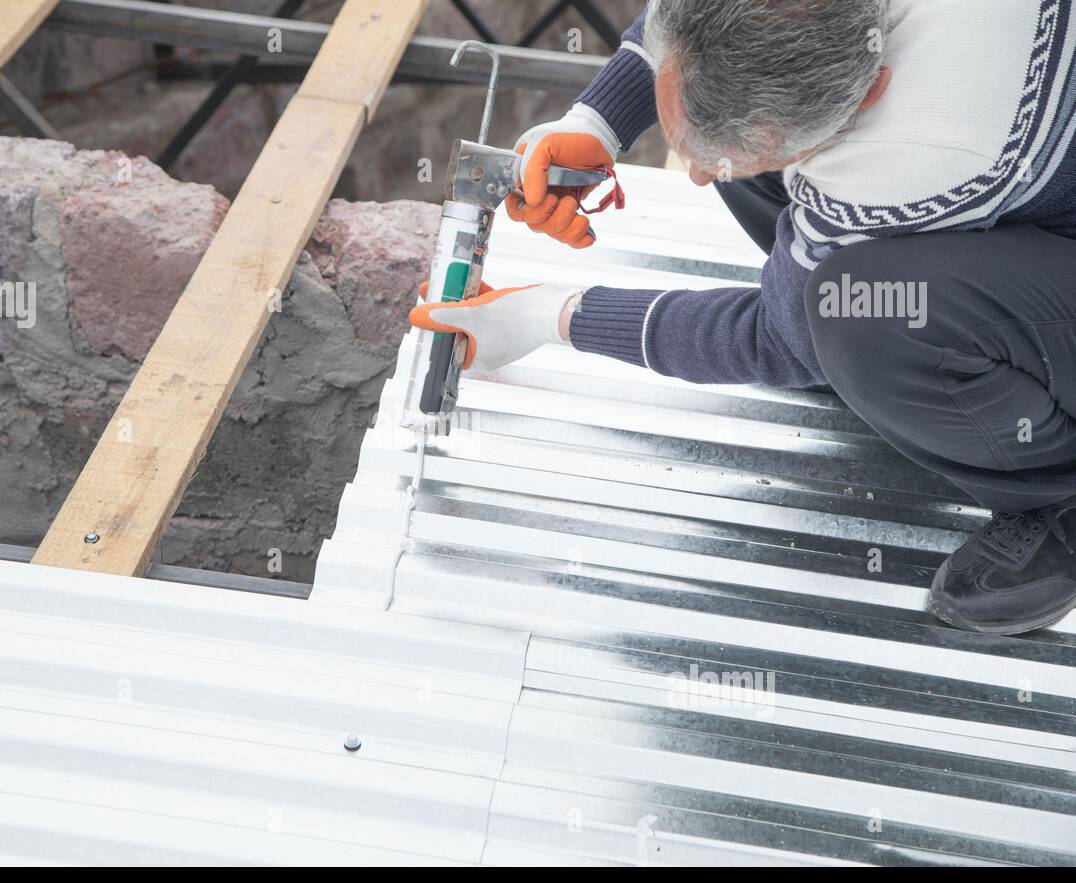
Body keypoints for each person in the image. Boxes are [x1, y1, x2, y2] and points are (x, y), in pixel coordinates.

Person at [410, 0, 1076, 636]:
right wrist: (594, 122)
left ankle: (1053, 490)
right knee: (734, 126)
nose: (696, 177)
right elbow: (698, 23)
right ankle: (910, 370)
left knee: (861, 316)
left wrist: (551, 315)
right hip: (1030, 161)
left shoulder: (920, 149)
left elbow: (778, 339)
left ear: (869, 92)